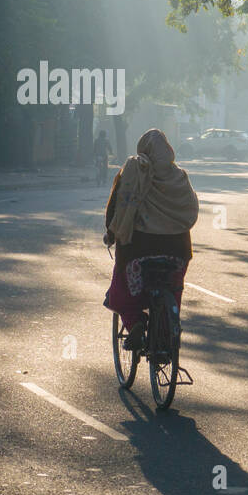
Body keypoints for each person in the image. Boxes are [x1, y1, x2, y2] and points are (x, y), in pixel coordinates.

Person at [102, 129, 199, 351]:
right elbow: (191, 209)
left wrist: (111, 232)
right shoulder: (180, 176)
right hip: (177, 252)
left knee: (121, 296)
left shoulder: (134, 168)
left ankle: (135, 324)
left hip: (139, 249)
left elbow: (117, 204)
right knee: (172, 293)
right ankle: (166, 342)